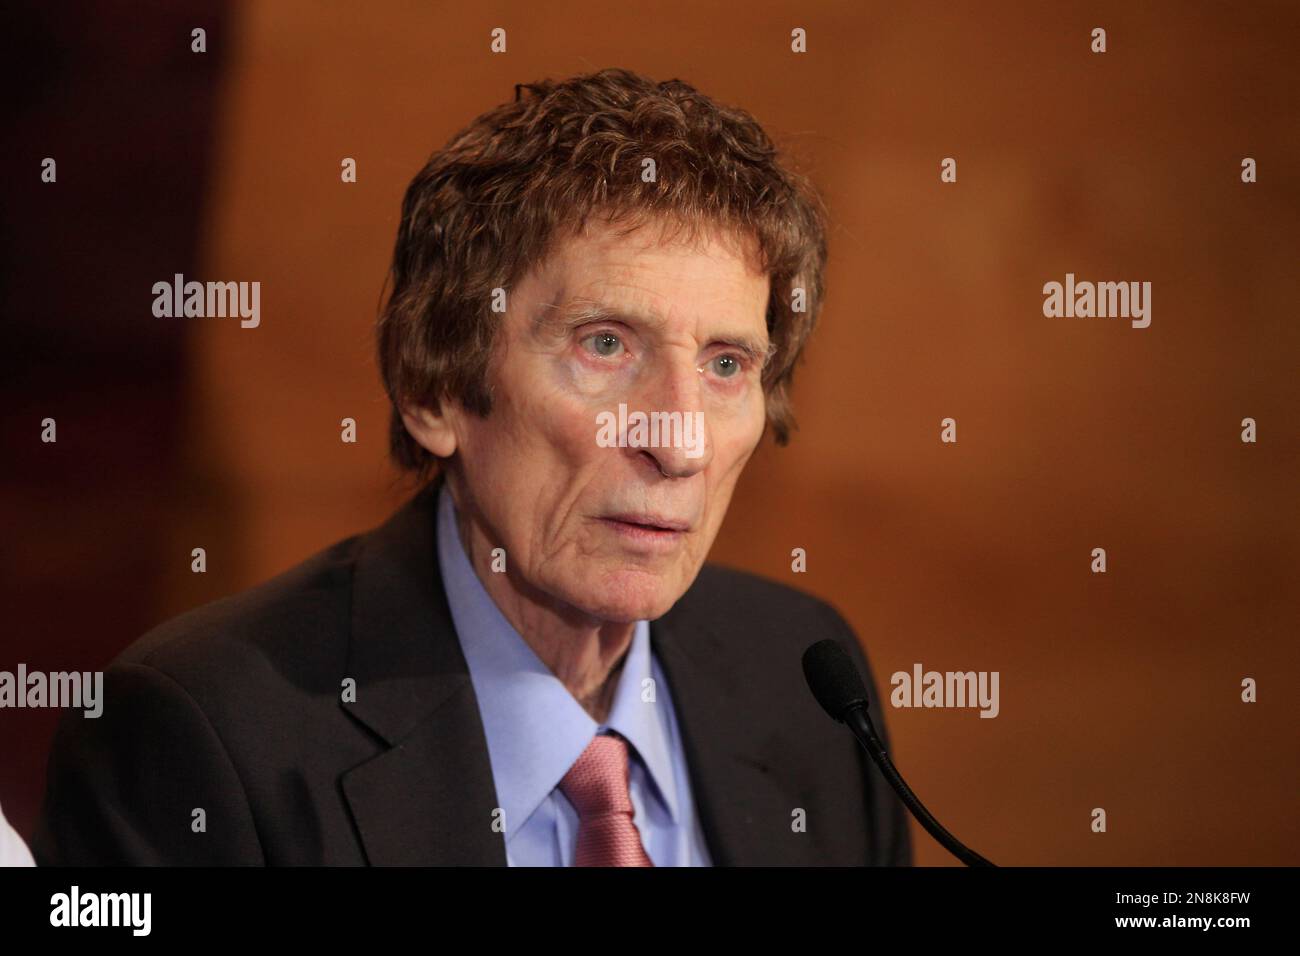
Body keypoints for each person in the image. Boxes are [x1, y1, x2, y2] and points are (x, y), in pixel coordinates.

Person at [33, 68, 911, 866]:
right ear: (434, 388)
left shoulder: (807, 683)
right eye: (604, 345)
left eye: (726, 365)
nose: (680, 443)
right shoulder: (205, 736)